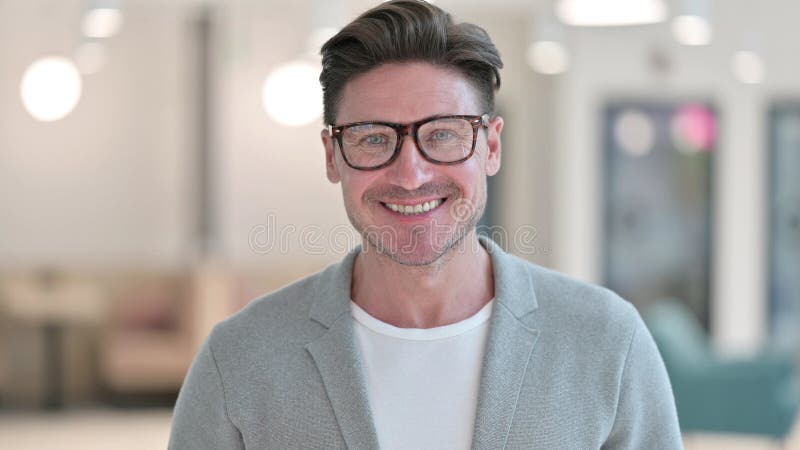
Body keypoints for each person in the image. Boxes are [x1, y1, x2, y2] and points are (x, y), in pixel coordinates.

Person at [169, 1, 682, 448]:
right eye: (372, 138)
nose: (410, 174)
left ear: (492, 146)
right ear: (332, 156)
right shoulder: (239, 360)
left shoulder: (607, 343)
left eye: (443, 134)